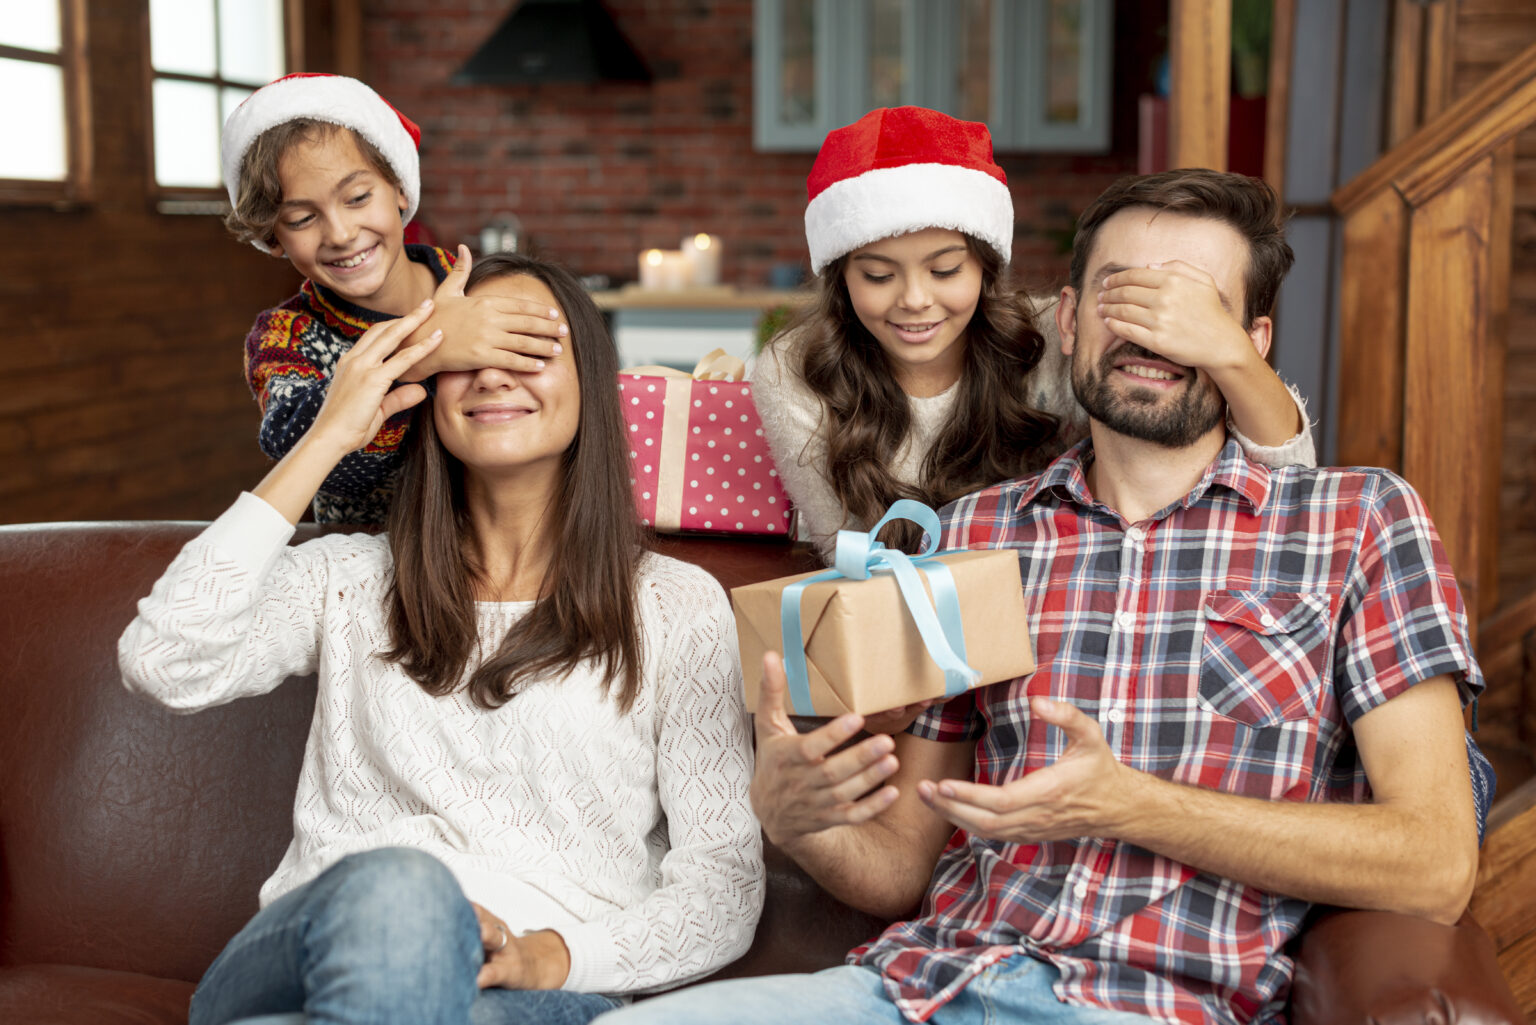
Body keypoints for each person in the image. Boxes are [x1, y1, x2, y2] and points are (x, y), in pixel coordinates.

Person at [596, 170, 1488, 1025]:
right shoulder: (978, 535)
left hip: (1147, 1004)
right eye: (1123, 298)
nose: (1152, 332)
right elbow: (901, 864)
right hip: (914, 989)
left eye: (1193, 306)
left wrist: (1130, 803)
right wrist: (798, 820)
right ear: (1066, 321)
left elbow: (1437, 862)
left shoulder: (1358, 521)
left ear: (1251, 342)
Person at [119, 254, 762, 1025]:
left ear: (593, 382)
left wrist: (554, 953)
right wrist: (332, 431)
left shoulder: (675, 605)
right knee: (406, 889)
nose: (493, 377)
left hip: (530, 987)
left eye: (528, 349)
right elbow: (163, 660)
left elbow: (721, 883)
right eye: (464, 357)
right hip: (324, 933)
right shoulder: (350, 578)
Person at [752, 107, 1316, 561]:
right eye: (877, 275)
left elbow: (1289, 481)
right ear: (841, 280)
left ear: (986, 268)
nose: (915, 300)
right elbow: (847, 557)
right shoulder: (793, 371)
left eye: (946, 270)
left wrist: (1225, 346)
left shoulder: (1053, 335)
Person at [223, 73, 567, 524]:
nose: (342, 234)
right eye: (304, 218)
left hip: (504, 557)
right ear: (273, 237)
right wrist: (423, 353)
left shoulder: (487, 290)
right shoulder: (287, 338)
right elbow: (304, 456)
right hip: (365, 568)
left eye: (358, 197)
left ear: (400, 188)